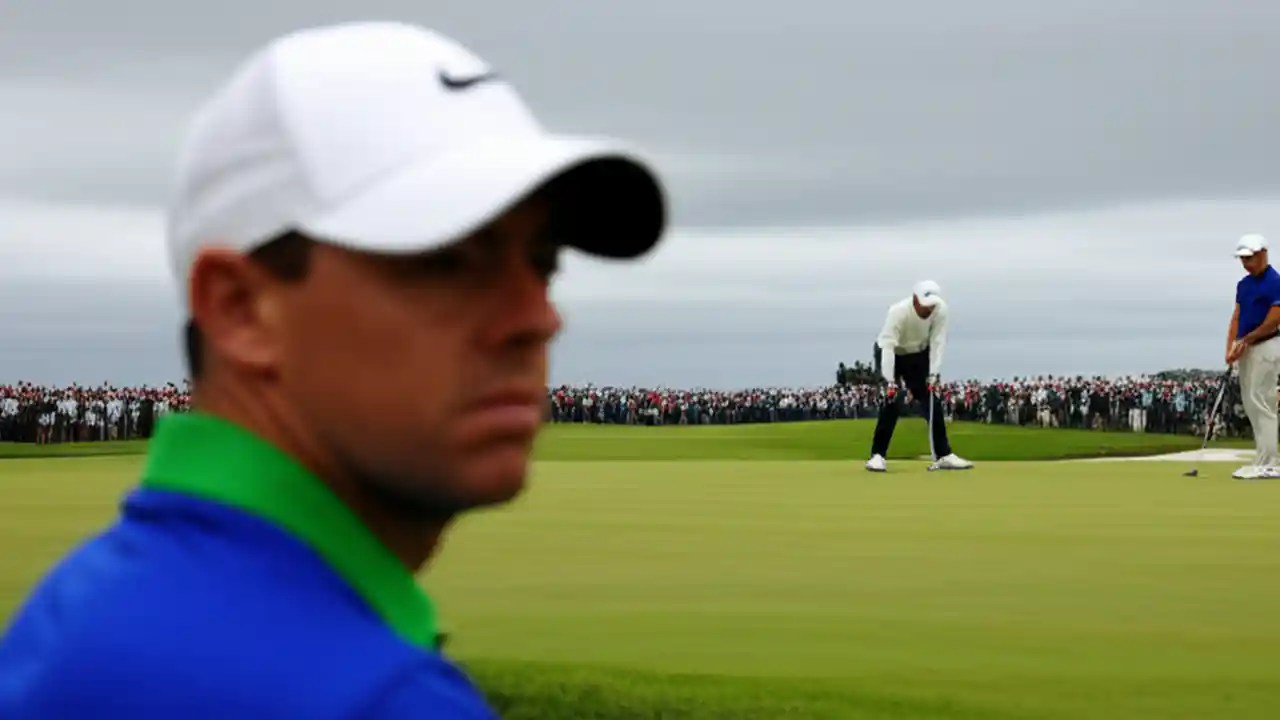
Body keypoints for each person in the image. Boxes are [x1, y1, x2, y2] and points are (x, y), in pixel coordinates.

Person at [0, 21, 666, 719]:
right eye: (445, 259)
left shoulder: (77, 610)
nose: (538, 318)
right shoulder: (383, 702)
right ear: (241, 309)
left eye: (543, 262)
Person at [865, 280, 974, 472]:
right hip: (891, 353)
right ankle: (878, 455)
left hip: (918, 354)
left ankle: (943, 455)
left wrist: (933, 375)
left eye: (932, 305)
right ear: (915, 299)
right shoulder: (898, 312)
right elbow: (888, 346)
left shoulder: (940, 310)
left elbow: (937, 341)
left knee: (931, 400)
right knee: (893, 400)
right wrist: (890, 381)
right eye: (925, 305)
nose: (929, 310)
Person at [1225, 233, 1280, 480]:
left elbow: (1274, 319)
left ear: (1263, 254)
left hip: (1267, 345)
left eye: (1250, 258)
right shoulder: (1243, 285)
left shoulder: (1275, 281)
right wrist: (1231, 347)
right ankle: (1262, 457)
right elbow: (1237, 317)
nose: (1246, 263)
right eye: (1243, 259)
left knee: (1262, 401)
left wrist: (1246, 339)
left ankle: (1270, 461)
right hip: (1247, 348)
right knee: (1250, 403)